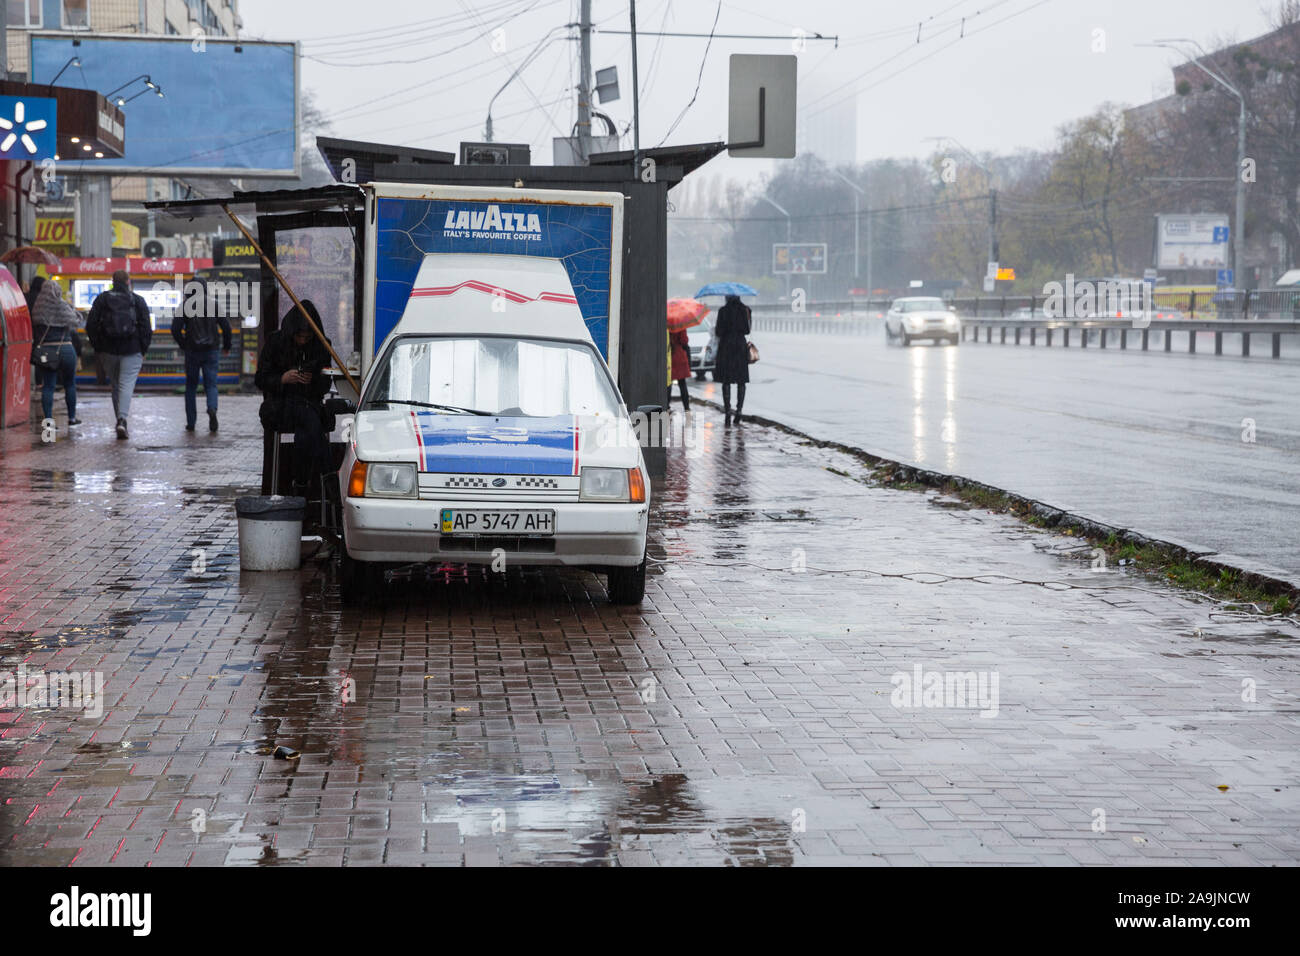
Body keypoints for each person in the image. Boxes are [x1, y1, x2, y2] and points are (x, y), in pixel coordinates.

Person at [255, 300, 333, 495]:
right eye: (299, 336)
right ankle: (321, 481)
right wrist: (283, 378)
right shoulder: (276, 343)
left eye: (307, 337)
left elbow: (325, 384)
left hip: (308, 404)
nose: (303, 341)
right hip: (280, 406)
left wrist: (312, 379)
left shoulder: (321, 346)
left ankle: (301, 480)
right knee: (312, 425)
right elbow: (261, 378)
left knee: (307, 428)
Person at [86, 270, 152, 440]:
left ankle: (120, 421)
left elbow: (91, 324)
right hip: (132, 349)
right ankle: (122, 420)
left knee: (116, 385)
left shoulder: (102, 299)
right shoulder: (137, 300)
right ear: (128, 282)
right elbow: (146, 327)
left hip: (108, 350)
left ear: (112, 281)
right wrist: (143, 349)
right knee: (126, 385)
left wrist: (98, 347)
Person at [171, 276, 232, 433]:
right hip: (211, 350)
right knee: (211, 384)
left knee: (191, 387)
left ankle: (191, 423)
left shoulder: (185, 306)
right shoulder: (214, 304)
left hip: (192, 351)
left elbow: (175, 329)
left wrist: (184, 344)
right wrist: (226, 346)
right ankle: (212, 409)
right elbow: (226, 327)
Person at [29, 277, 81, 427]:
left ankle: (49, 423)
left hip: (46, 351)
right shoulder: (61, 305)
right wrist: (73, 310)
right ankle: (71, 418)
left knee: (48, 386)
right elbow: (76, 321)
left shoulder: (37, 308)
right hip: (65, 348)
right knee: (70, 384)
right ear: (57, 291)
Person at [713, 294, 751, 426]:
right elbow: (747, 330)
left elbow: (718, 331)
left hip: (726, 347)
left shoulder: (722, 311)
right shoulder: (745, 310)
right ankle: (739, 410)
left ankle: (728, 411)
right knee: (741, 381)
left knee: (726, 380)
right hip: (740, 347)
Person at [670, 326, 692, 411]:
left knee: (668, 384)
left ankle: (667, 407)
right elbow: (684, 341)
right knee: (682, 384)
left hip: (669, 355)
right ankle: (687, 408)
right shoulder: (679, 324)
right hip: (679, 356)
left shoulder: (664, 324)